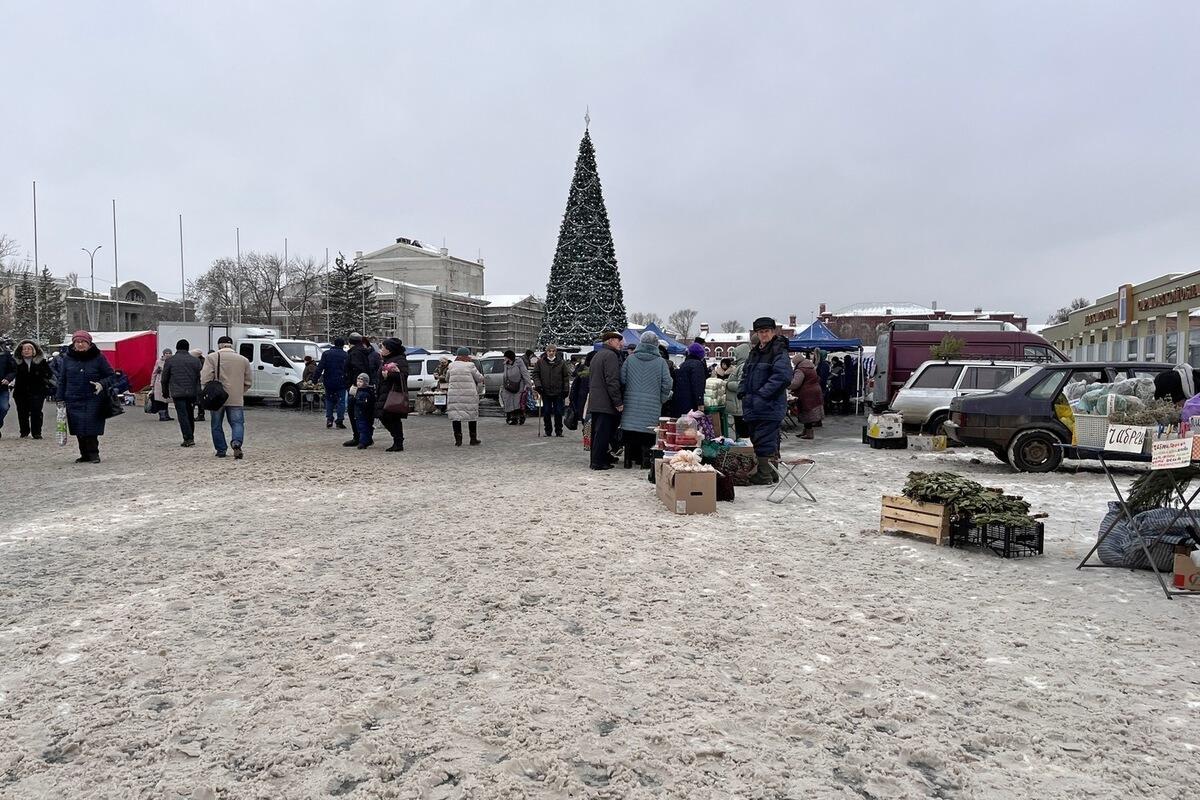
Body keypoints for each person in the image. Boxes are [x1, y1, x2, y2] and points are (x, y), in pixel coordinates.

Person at [739, 317, 793, 484]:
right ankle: (772, 473)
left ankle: (764, 475)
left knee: (765, 440)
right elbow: (746, 375)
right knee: (762, 438)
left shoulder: (778, 351)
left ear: (773, 331)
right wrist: (743, 391)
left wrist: (762, 394)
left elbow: (783, 377)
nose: (764, 334)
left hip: (769, 405)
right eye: (760, 332)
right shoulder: (755, 352)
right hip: (755, 405)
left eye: (766, 331)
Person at [55, 330, 115, 463]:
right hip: (73, 397)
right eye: (77, 342)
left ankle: (94, 453)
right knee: (78, 427)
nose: (80, 344)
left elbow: (111, 375)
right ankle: (84, 454)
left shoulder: (99, 357)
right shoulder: (67, 358)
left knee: (91, 427)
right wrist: (59, 397)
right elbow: (62, 379)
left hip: (93, 398)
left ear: (89, 343)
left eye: (83, 342)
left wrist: (101, 383)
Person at [621, 331, 673, 469]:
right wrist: (662, 398)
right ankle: (645, 462)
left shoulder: (630, 359)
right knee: (648, 433)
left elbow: (622, 379)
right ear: (656, 344)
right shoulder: (661, 362)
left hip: (630, 402)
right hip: (652, 404)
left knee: (630, 433)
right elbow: (667, 383)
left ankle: (627, 462)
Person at [200, 335, 253, 459]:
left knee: (216, 424)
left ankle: (221, 450)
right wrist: (240, 391)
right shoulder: (243, 360)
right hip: (236, 397)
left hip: (217, 398)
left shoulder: (212, 358)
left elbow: (205, 377)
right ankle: (236, 443)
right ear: (231, 345)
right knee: (237, 423)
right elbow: (248, 381)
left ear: (219, 345)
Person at [588, 331, 624, 470]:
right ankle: (598, 462)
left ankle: (597, 459)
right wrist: (618, 402)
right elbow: (612, 380)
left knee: (597, 433)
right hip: (606, 402)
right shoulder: (611, 356)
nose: (620, 343)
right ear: (609, 341)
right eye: (617, 340)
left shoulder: (598, 355)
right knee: (602, 433)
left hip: (596, 401)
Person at [160, 338, 203, 447]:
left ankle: (187, 438)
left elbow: (164, 378)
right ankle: (191, 436)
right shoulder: (195, 361)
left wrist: (165, 392)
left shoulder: (170, 361)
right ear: (188, 348)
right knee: (190, 414)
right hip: (192, 392)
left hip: (177, 392)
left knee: (182, 415)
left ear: (176, 348)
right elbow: (199, 377)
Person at [11, 339, 54, 439]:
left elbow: (49, 374)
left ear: (34, 351)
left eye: (29, 349)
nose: (26, 351)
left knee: (36, 411)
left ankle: (36, 432)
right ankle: (24, 431)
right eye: (24, 349)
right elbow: (11, 374)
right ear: (20, 351)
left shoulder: (41, 362)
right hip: (21, 391)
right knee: (22, 412)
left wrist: (42, 372)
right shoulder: (16, 362)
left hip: (37, 390)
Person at [376, 337, 409, 452]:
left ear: (389, 350)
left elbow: (403, 376)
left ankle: (398, 442)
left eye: (383, 347)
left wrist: (389, 375)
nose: (381, 349)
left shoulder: (400, 360)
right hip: (384, 392)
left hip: (393, 393)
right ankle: (397, 440)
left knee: (391, 417)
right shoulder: (386, 359)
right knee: (384, 416)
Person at [446, 347, 484, 446]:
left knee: (456, 417)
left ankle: (458, 440)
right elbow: (479, 378)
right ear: (467, 355)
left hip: (454, 395)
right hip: (469, 395)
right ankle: (473, 439)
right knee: (471, 416)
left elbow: (447, 378)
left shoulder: (451, 366)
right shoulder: (470, 365)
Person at [533, 343, 570, 437]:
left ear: (555, 352)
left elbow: (565, 377)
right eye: (549, 351)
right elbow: (536, 375)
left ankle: (559, 431)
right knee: (546, 411)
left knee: (558, 412)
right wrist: (538, 385)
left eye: (553, 351)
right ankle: (548, 430)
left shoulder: (561, 363)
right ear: (546, 352)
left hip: (558, 391)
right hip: (545, 391)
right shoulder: (540, 362)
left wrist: (566, 389)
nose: (551, 353)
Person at [343, 333, 374, 446]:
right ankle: (365, 437)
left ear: (350, 342)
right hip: (363, 386)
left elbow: (357, 369)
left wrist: (354, 384)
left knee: (355, 413)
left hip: (356, 387)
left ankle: (359, 437)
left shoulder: (355, 353)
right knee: (364, 413)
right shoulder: (364, 351)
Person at [313, 337, 348, 429]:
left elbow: (320, 368)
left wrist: (315, 379)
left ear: (334, 344)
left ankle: (329, 419)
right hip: (341, 382)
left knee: (329, 400)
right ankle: (339, 420)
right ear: (343, 345)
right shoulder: (345, 355)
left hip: (329, 381)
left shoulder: (326, 354)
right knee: (341, 402)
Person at [789, 353, 824, 440]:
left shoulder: (801, 370)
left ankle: (809, 433)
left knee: (807, 412)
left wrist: (786, 385)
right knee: (809, 412)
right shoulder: (810, 367)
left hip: (806, 393)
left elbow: (795, 383)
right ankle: (806, 431)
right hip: (814, 391)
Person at [725, 342, 752, 439]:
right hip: (737, 405)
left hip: (739, 405)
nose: (735, 356)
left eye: (736, 354)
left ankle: (746, 450)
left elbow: (742, 385)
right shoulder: (741, 365)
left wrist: (727, 384)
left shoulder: (744, 366)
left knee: (743, 432)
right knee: (740, 430)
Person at [673, 342, 707, 416]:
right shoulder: (698, 365)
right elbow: (698, 384)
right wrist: (700, 402)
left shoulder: (683, 364)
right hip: (691, 403)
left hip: (679, 402)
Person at [499, 349, 531, 425]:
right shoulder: (506, 364)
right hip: (508, 386)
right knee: (508, 401)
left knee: (517, 402)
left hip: (519, 385)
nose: (504, 359)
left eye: (506, 357)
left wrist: (528, 384)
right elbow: (505, 375)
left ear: (510, 357)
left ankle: (521, 416)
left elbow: (525, 373)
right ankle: (512, 418)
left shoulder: (519, 363)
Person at [349, 373, 376, 449]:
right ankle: (367, 440)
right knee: (360, 428)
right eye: (358, 381)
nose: (358, 383)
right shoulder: (358, 391)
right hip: (358, 414)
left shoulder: (367, 393)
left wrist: (356, 400)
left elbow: (365, 404)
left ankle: (363, 442)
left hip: (365, 414)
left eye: (361, 382)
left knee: (363, 428)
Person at [150, 348, 174, 421]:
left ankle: (166, 414)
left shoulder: (173, 361)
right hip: (159, 383)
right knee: (161, 400)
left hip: (169, 383)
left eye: (169, 353)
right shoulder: (159, 361)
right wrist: (152, 384)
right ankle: (162, 415)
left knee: (166, 400)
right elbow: (154, 373)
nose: (168, 354)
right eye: (166, 353)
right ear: (163, 354)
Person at [0, 342, 15, 439]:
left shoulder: (5, 354)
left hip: (2, 387)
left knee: (4, 407)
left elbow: (13, 369)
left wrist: (8, 378)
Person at [190, 350, 207, 421]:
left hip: (196, 383)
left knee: (194, 400)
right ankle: (201, 414)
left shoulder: (197, 362)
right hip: (200, 384)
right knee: (200, 401)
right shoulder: (204, 361)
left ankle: (192, 415)